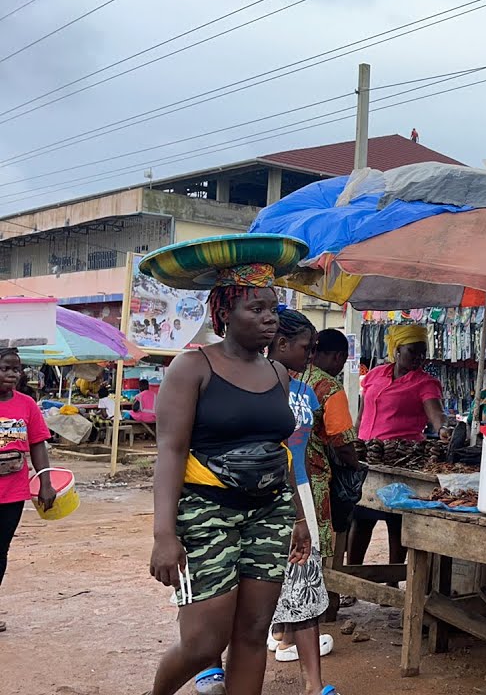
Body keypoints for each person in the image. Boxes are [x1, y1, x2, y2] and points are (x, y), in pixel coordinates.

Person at [146, 261, 311, 695]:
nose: (269, 318)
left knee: (254, 632)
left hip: (269, 512)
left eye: (272, 309)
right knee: (204, 643)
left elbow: (281, 449)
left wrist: (296, 516)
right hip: (207, 511)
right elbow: (171, 451)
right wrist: (164, 533)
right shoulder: (192, 367)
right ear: (224, 313)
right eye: (255, 309)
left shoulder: (278, 372)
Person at [264, 309, 343, 695]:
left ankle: (314, 684)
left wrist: (304, 504)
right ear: (280, 345)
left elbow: (300, 449)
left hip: (300, 490)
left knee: (305, 580)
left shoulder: (306, 392)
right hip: (262, 494)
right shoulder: (251, 386)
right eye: (306, 347)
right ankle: (276, 638)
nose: (311, 356)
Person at [349, 324, 445, 572]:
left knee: (396, 521)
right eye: (413, 352)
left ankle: (392, 577)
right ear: (397, 350)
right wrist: (353, 439)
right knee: (360, 520)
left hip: (399, 459)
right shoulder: (374, 375)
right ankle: (353, 577)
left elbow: (436, 414)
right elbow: (362, 415)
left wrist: (444, 429)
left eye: (422, 353)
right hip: (367, 457)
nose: (419, 358)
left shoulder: (426, 382)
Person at [0, 348, 55, 634]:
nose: (12, 374)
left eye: (16, 369)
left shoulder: (26, 405)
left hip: (12, 493)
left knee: (1, 550)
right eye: (5, 368)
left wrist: (45, 481)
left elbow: (37, 443)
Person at [302, 330, 361, 576]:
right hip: (313, 477)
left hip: (280, 473)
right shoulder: (329, 387)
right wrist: (356, 467)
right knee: (314, 546)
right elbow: (343, 443)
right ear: (338, 357)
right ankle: (321, 603)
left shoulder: (287, 373)